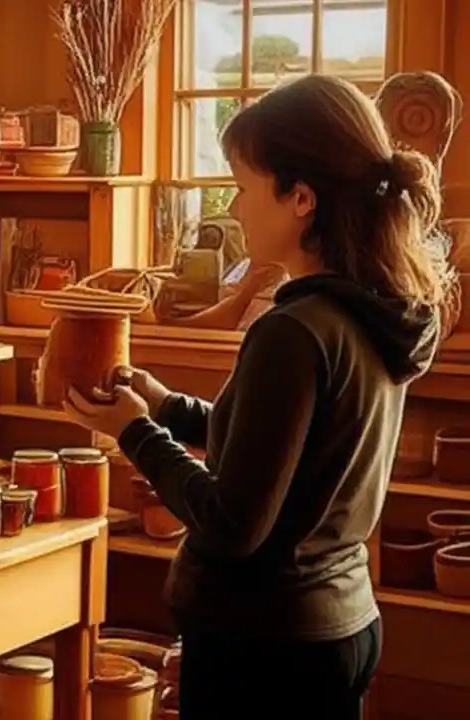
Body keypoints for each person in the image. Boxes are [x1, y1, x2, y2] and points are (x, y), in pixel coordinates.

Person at [63, 74, 451, 719]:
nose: (235, 208)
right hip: (339, 624)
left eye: (243, 188)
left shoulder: (292, 332)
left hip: (266, 645)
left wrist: (135, 433)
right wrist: (164, 405)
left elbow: (233, 522)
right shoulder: (370, 313)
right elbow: (283, 454)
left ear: (300, 197)